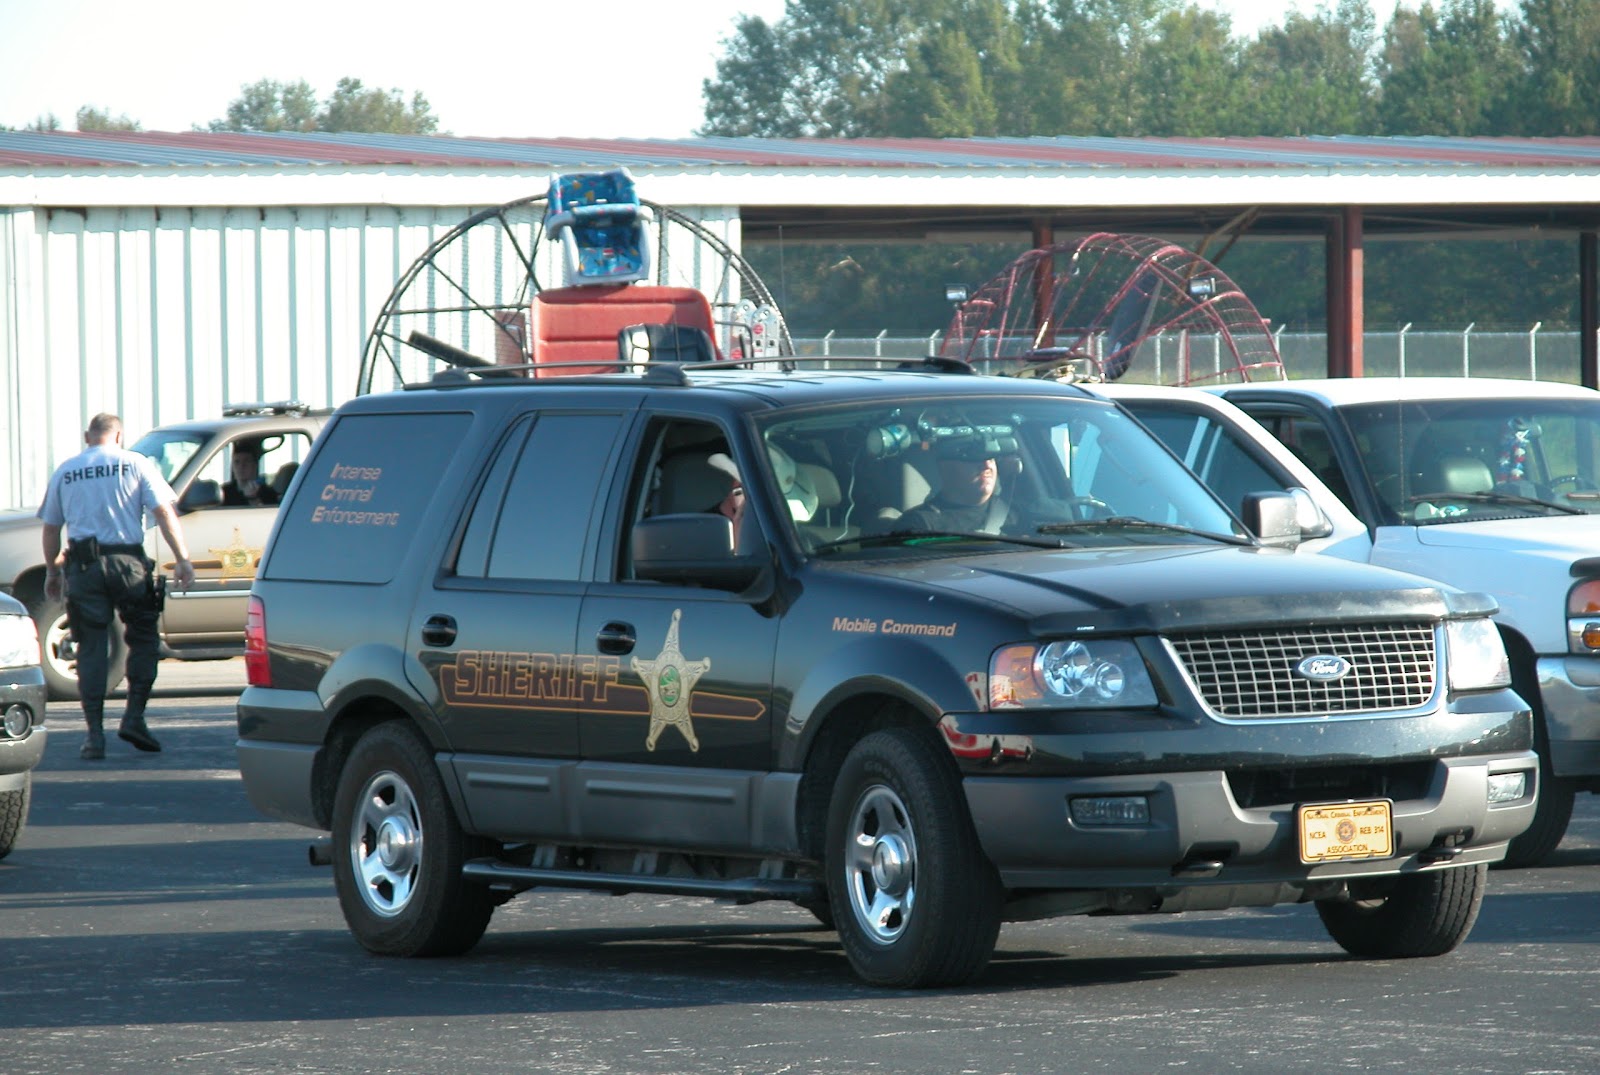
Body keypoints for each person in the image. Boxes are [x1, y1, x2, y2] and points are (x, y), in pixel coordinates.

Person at [38, 413, 196, 759]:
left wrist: (53, 572)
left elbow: (50, 529)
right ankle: (134, 716)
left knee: (91, 646)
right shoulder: (134, 463)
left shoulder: (67, 470)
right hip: (127, 563)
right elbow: (164, 512)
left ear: (87, 436)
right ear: (120, 435)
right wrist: (182, 559)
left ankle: (95, 736)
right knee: (143, 638)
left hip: (83, 567)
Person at [222, 441, 280, 507]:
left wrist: (253, 499)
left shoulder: (268, 493)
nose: (241, 466)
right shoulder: (224, 492)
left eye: (247, 461)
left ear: (255, 465)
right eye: (237, 462)